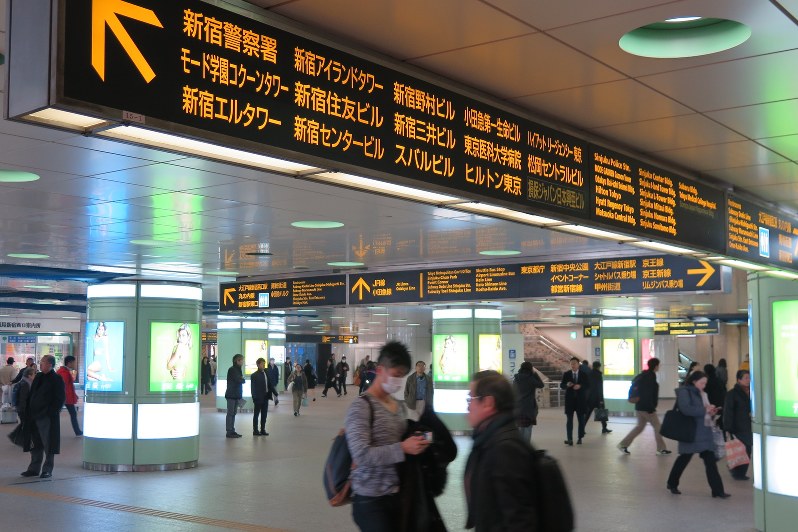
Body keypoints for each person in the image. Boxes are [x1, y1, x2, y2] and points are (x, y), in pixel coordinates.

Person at [344, 341, 429, 532]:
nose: (398, 381)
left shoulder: (398, 406)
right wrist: (402, 448)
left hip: (398, 493)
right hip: (370, 499)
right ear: (380, 370)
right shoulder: (361, 407)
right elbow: (361, 455)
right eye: (396, 375)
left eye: (402, 376)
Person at [465, 370, 537, 530]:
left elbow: (519, 520)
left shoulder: (506, 449)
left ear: (488, 403)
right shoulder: (487, 440)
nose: (468, 405)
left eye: (471, 398)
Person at [666, 371, 730, 498]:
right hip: (690, 431)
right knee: (684, 459)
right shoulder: (684, 392)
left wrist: (711, 411)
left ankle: (717, 490)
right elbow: (686, 409)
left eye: (705, 383)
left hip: (704, 431)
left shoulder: (703, 393)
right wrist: (704, 410)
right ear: (694, 381)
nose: (704, 386)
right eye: (702, 383)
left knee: (710, 461)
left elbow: (704, 410)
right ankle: (672, 483)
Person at [20, 355, 65, 479]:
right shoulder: (39, 376)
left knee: (48, 443)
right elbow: (32, 393)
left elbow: (60, 398)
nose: (40, 364)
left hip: (46, 417)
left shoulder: (56, 379)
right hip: (33, 415)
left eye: (43, 362)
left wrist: (50, 412)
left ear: (50, 364)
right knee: (35, 443)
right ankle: (34, 469)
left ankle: (47, 469)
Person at [618, 357, 670, 455]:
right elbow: (647, 394)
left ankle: (623, 445)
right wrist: (650, 408)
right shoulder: (650, 377)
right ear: (656, 366)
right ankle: (661, 449)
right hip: (646, 408)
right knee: (658, 427)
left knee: (639, 427)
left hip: (640, 406)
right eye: (659, 365)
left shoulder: (644, 375)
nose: (659, 367)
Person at [723, 369, 752, 480]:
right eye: (746, 378)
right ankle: (737, 472)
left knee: (747, 449)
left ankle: (740, 472)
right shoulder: (732, 394)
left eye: (749, 378)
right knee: (741, 450)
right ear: (739, 380)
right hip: (738, 426)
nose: (748, 380)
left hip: (748, 425)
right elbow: (728, 411)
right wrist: (728, 427)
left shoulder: (751, 392)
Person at [560, 356, 590, 445]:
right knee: (569, 420)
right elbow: (562, 385)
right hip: (569, 401)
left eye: (574, 364)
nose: (573, 365)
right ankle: (569, 439)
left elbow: (588, 385)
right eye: (571, 364)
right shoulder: (567, 374)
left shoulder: (583, 374)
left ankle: (580, 437)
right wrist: (567, 385)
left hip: (580, 400)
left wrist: (580, 386)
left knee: (581, 420)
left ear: (578, 364)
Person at [513, 361, 544, 444]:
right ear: (530, 368)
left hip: (518, 407)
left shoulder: (516, 378)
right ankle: (526, 448)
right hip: (529, 407)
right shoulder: (530, 378)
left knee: (520, 428)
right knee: (528, 428)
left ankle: (520, 447)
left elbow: (513, 391)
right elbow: (541, 385)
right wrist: (535, 374)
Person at [56, 355, 82, 436]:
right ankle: (77, 431)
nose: (74, 364)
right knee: (72, 414)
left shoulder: (63, 371)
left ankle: (77, 431)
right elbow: (64, 386)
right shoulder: (65, 373)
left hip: (65, 397)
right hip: (66, 397)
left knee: (58, 413)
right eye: (73, 362)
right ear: (69, 362)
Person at [586, 360, 611, 435]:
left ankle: (582, 428)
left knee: (587, 414)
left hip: (590, 397)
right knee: (602, 412)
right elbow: (599, 387)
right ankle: (604, 428)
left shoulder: (589, 374)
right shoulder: (598, 374)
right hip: (597, 397)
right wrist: (601, 399)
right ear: (599, 367)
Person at [224, 354, 245, 438]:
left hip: (236, 394)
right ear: (237, 361)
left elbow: (239, 380)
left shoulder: (238, 369)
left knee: (233, 413)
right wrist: (242, 379)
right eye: (241, 360)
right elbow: (238, 380)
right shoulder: (232, 370)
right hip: (231, 395)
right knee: (230, 413)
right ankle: (229, 431)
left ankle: (232, 430)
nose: (242, 362)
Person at [250, 357, 269, 436]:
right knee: (256, 414)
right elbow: (253, 387)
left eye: (264, 364)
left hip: (265, 397)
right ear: (258, 365)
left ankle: (263, 429)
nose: (263, 365)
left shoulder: (266, 373)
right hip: (258, 397)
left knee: (264, 414)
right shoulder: (254, 375)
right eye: (262, 364)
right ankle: (255, 430)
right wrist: (254, 397)